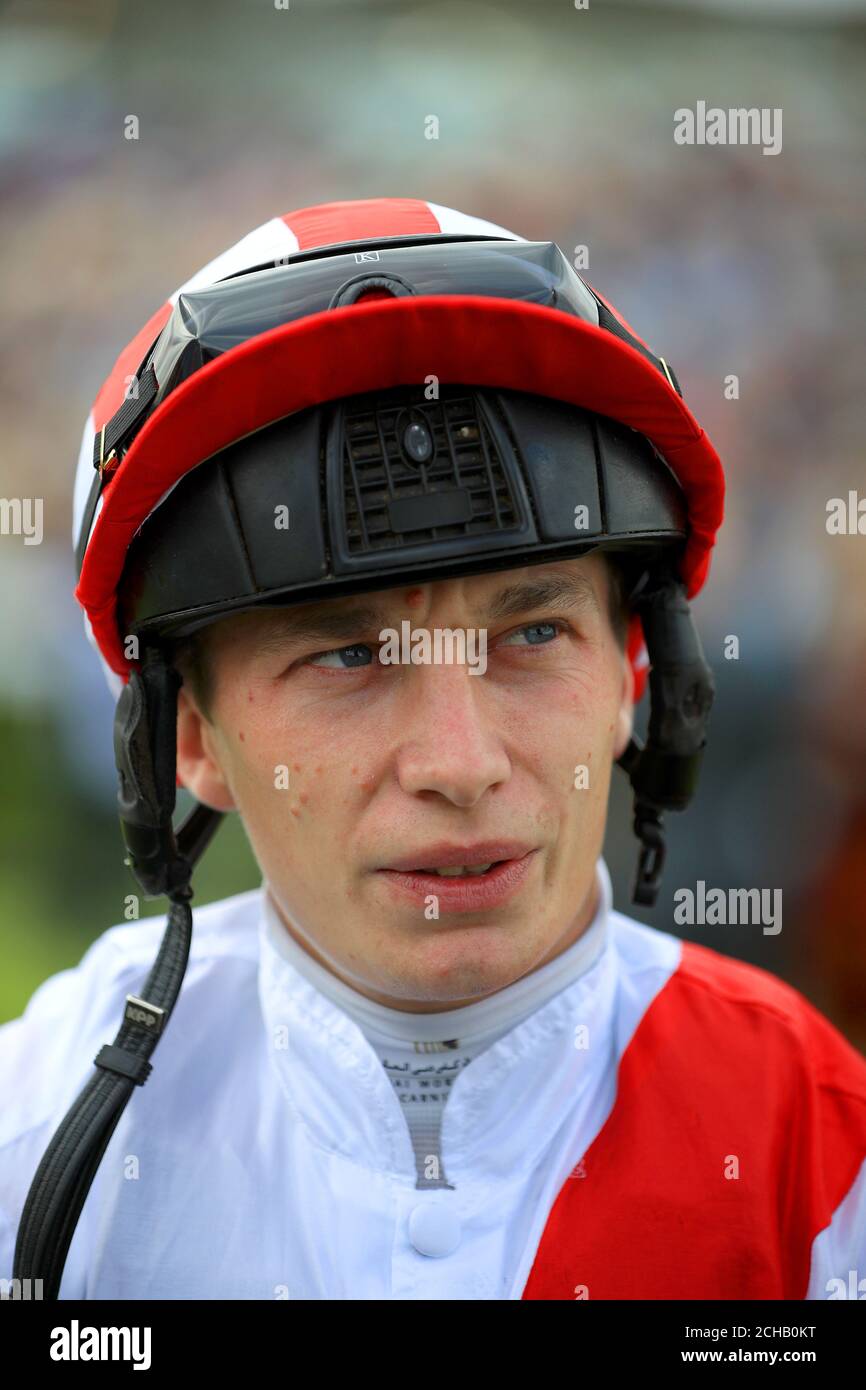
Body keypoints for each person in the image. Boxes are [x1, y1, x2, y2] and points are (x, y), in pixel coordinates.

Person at [2, 198, 864, 1301]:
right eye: (348, 656)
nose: (457, 763)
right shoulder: (34, 1136)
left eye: (532, 634)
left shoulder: (819, 1155)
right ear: (190, 737)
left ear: (628, 678)